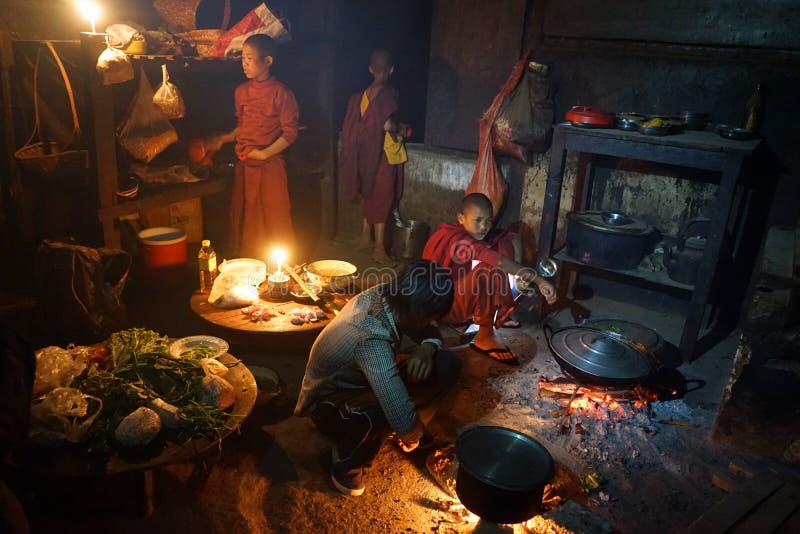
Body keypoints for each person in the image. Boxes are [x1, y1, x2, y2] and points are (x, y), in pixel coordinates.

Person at [294, 260, 459, 496]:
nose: (433, 322)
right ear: (420, 312)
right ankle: (346, 463)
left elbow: (429, 331)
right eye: (430, 316)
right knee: (385, 410)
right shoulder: (370, 335)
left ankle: (399, 427)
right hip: (327, 404)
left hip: (361, 381)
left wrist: (427, 348)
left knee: (446, 363)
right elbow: (393, 402)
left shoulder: (391, 296)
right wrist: (410, 432)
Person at [422, 193, 558, 365]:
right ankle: (485, 336)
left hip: (445, 299)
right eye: (477, 221)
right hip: (443, 307)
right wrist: (539, 280)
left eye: (488, 221)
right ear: (461, 218)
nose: (484, 227)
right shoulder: (459, 240)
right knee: (490, 270)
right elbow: (499, 262)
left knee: (510, 239)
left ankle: (495, 311)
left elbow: (509, 243)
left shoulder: (450, 229)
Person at [206, 34, 299, 258]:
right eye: (242, 58)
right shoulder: (241, 92)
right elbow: (244, 126)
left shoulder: (281, 93)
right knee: (245, 217)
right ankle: (251, 263)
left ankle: (280, 267)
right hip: (246, 164)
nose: (244, 63)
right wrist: (223, 139)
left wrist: (264, 153)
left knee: (275, 218)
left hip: (270, 166)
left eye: (249, 58)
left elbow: (290, 133)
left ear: (267, 61)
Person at [339, 49, 406, 264]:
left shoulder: (360, 97)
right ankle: (378, 248)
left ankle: (364, 238)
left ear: (370, 69)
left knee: (368, 191)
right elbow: (387, 124)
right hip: (383, 153)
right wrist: (401, 129)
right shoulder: (388, 94)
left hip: (363, 154)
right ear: (392, 70)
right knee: (383, 197)